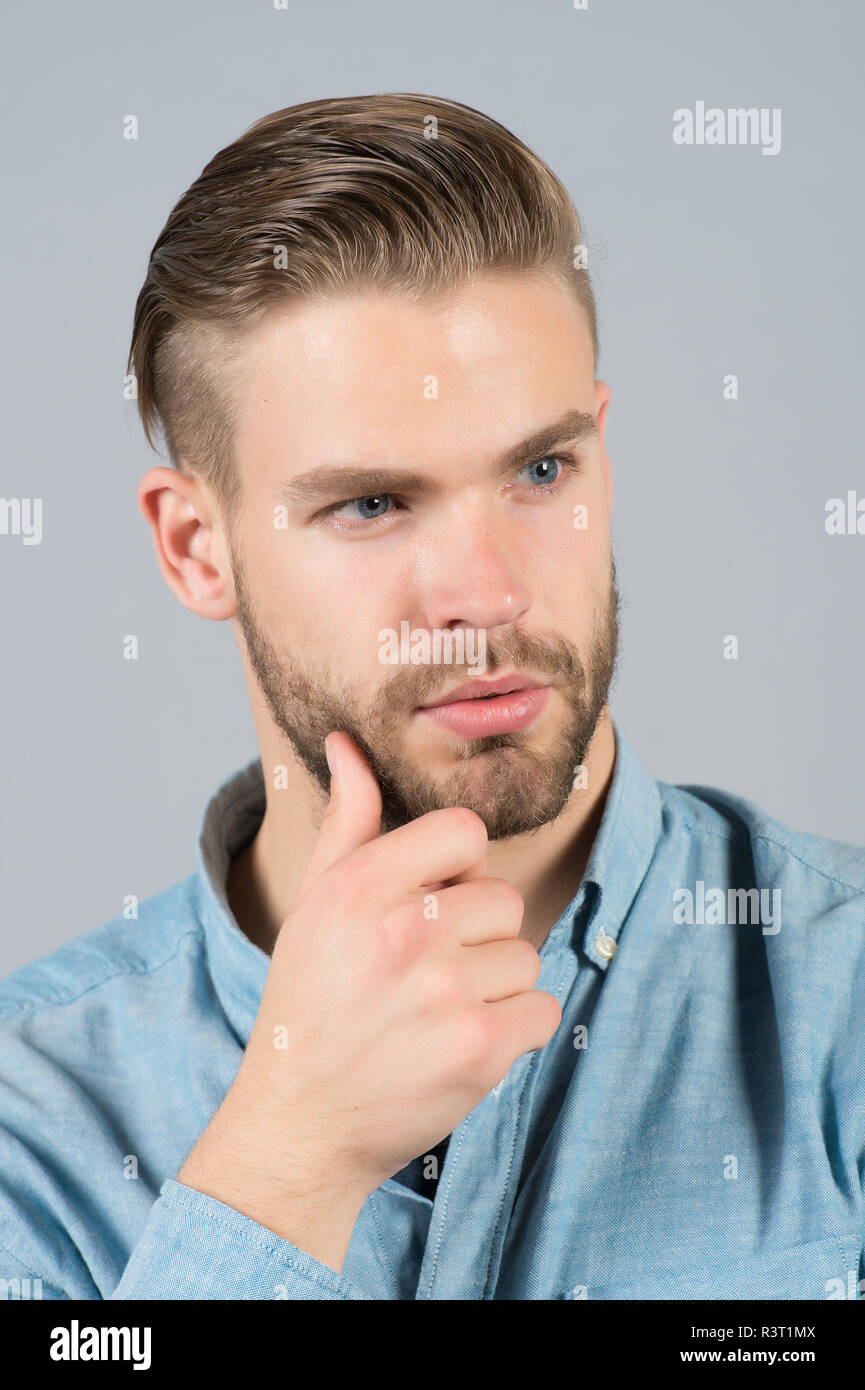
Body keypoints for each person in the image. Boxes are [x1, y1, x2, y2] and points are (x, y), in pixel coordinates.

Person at [1, 93, 863, 1302]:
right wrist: (282, 1166)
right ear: (198, 547)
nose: (489, 595)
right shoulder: (27, 1121)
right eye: (371, 503)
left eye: (540, 468)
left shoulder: (843, 1000)